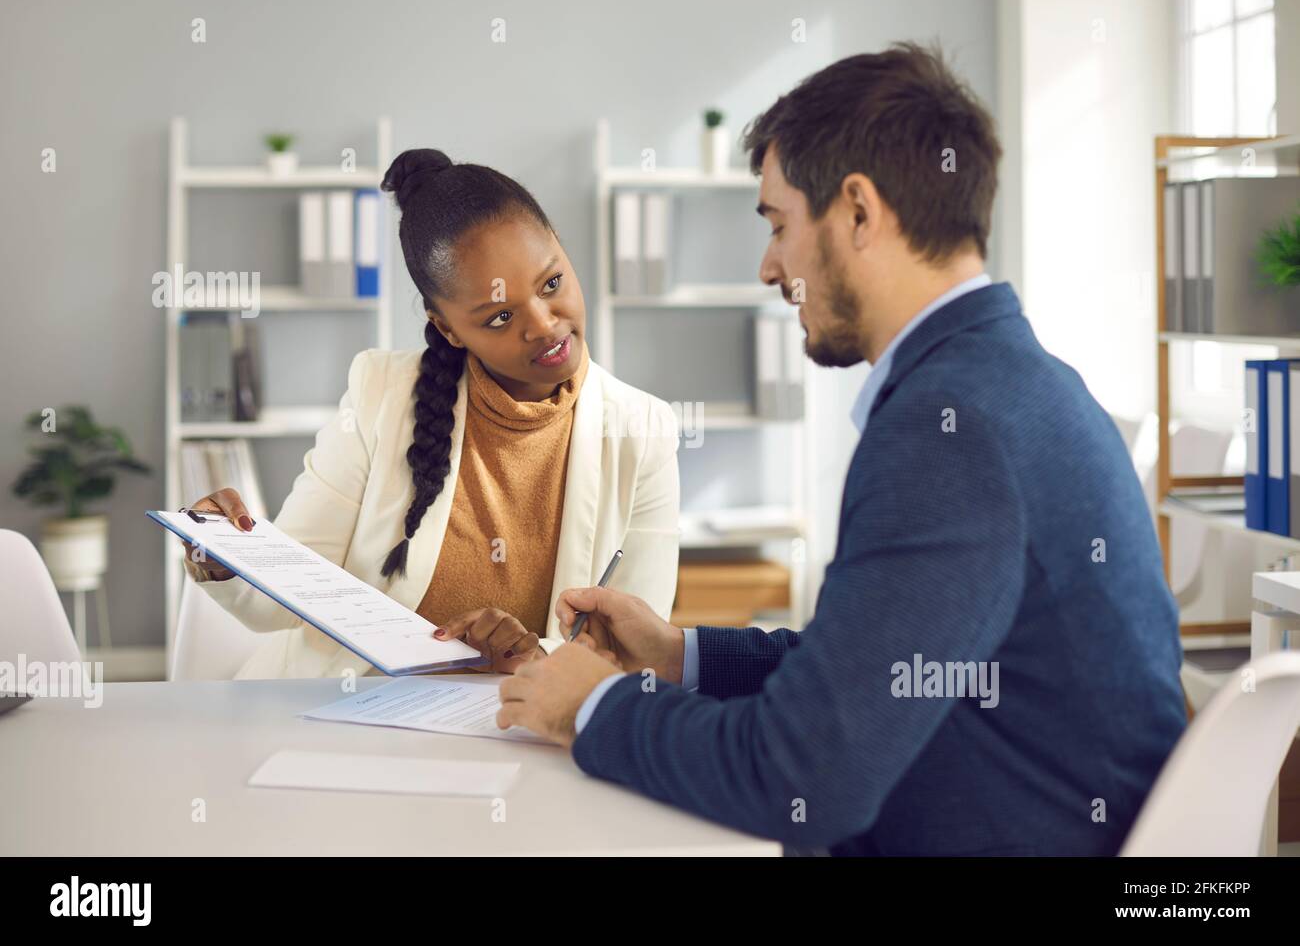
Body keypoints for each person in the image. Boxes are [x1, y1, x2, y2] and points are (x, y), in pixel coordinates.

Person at [491, 44, 1188, 856]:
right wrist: (680, 656)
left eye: (779, 225)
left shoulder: (947, 429)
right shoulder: (1010, 381)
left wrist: (596, 707)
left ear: (858, 212)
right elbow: (875, 669)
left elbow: (800, 777)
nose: (768, 266)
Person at [182, 150, 680, 679]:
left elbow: (635, 652)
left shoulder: (641, 431)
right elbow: (282, 599)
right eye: (502, 316)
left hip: (518, 730)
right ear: (447, 328)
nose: (544, 325)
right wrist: (221, 551)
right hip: (351, 717)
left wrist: (536, 659)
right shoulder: (381, 396)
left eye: (551, 283)